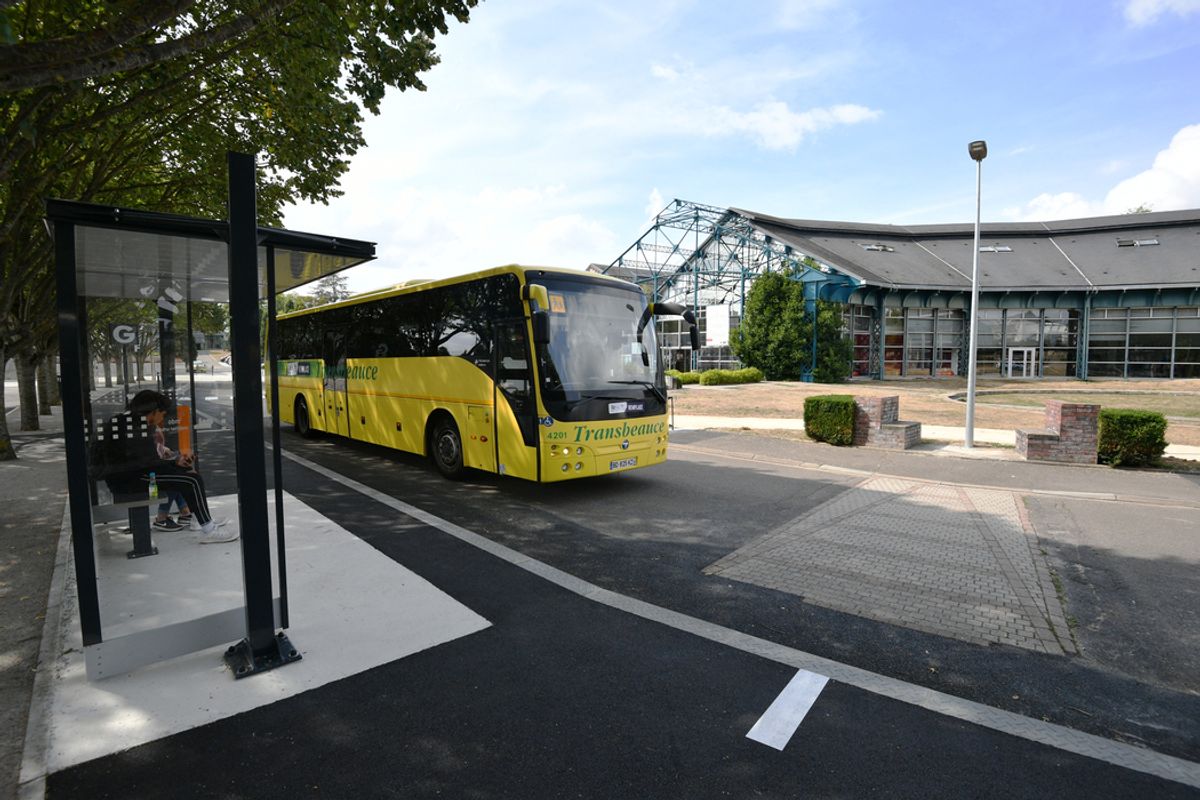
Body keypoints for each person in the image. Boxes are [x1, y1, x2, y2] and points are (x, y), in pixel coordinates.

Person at [103, 390, 235, 544]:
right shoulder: (136, 427)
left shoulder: (132, 422)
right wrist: (173, 462)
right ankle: (209, 529)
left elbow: (147, 461)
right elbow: (148, 463)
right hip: (130, 479)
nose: (162, 418)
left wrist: (175, 462)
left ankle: (198, 519)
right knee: (191, 480)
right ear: (154, 411)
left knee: (186, 473)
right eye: (162, 413)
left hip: (132, 474)